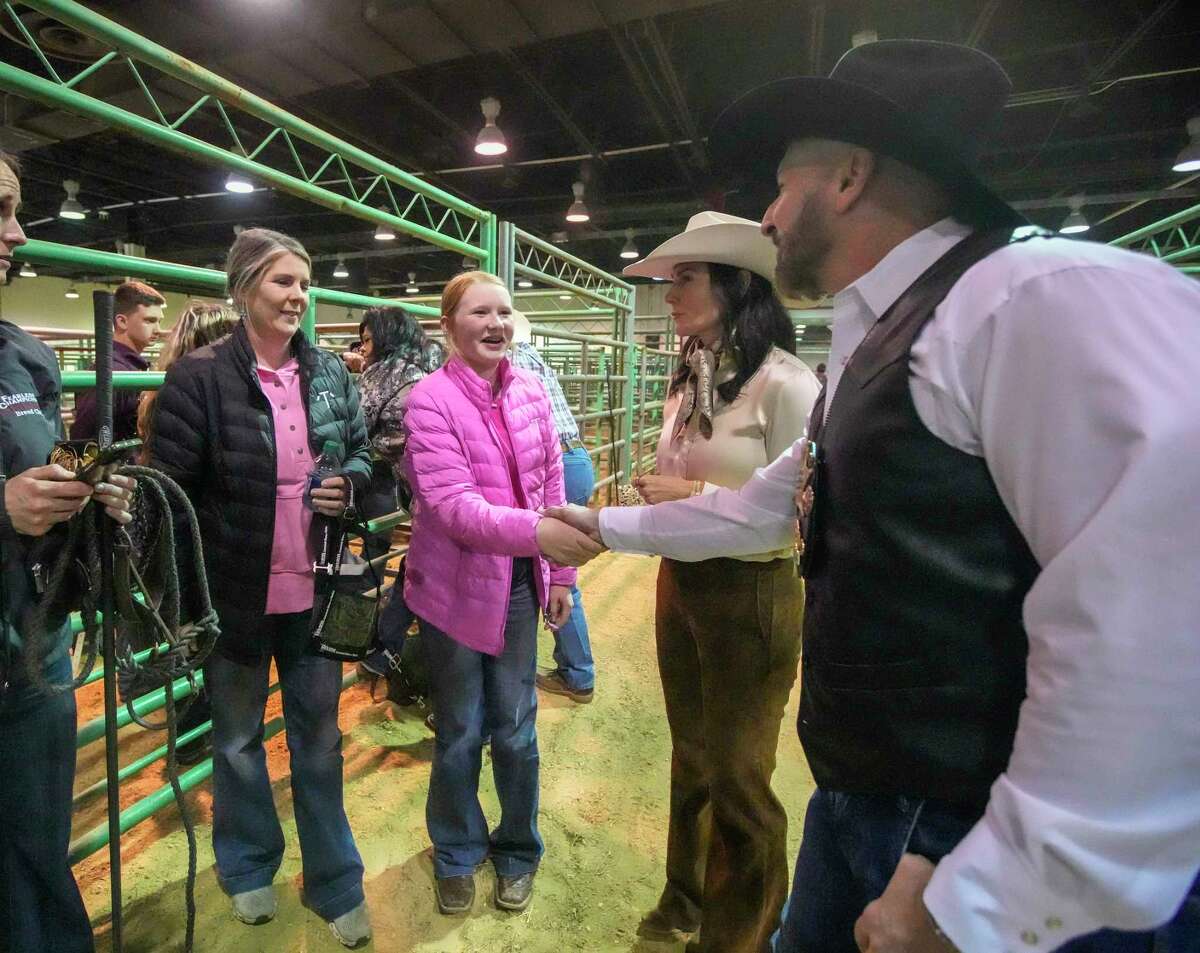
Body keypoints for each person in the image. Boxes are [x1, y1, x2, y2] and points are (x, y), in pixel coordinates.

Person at [548, 40, 1200, 953]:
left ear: (850, 175)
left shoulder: (1031, 300)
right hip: (876, 797)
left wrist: (998, 894)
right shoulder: (886, 337)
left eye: (781, 183)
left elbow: (1160, 617)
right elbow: (775, 502)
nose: (768, 214)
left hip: (965, 833)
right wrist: (607, 520)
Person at [150, 228, 373, 947]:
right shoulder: (199, 378)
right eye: (282, 282)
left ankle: (335, 878)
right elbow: (171, 496)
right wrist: (181, 601)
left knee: (318, 741)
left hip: (317, 592)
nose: (297, 296)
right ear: (244, 289)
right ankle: (248, 865)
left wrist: (353, 481)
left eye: (303, 284)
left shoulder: (331, 373)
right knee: (239, 739)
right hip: (236, 593)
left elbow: (367, 452)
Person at [620, 211, 820, 953]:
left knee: (740, 775)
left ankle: (742, 933)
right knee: (694, 753)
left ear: (735, 285)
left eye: (685, 278)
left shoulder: (788, 385)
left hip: (752, 591)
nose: (670, 294)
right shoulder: (692, 378)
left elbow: (794, 516)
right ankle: (685, 898)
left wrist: (694, 502)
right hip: (688, 583)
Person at [401, 270, 600, 917]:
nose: (496, 324)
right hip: (453, 593)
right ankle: (457, 850)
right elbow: (455, 508)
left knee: (515, 728)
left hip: (516, 586)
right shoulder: (429, 400)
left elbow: (548, 485)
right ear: (447, 325)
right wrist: (541, 534)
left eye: (504, 312)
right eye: (480, 312)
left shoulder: (533, 393)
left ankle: (518, 848)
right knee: (460, 727)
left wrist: (560, 574)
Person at [0, 151, 135, 953]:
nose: (16, 231)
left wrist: (88, 498)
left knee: (38, 843)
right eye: (2, 207)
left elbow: (45, 470)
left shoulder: (25, 355)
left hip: (32, 640)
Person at [136, 300, 237, 766]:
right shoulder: (191, 396)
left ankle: (194, 726)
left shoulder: (161, 396)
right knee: (203, 638)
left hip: (186, 541)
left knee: (195, 635)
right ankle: (193, 731)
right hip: (197, 543)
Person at [508, 310, 598, 704]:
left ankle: (578, 674)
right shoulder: (534, 356)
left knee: (553, 569)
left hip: (554, 467)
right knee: (554, 565)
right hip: (574, 458)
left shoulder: (513, 362)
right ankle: (575, 669)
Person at [353, 306, 443, 688]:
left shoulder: (383, 373)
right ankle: (388, 650)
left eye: (369, 340)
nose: (364, 348)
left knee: (417, 569)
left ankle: (381, 649)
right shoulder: (433, 363)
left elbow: (354, 423)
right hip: (440, 486)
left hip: (416, 486)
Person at [70, 279, 165, 441]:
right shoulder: (114, 370)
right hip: (117, 464)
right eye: (149, 321)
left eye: (159, 321)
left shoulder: (131, 368)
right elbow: (83, 435)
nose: (158, 330)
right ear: (122, 321)